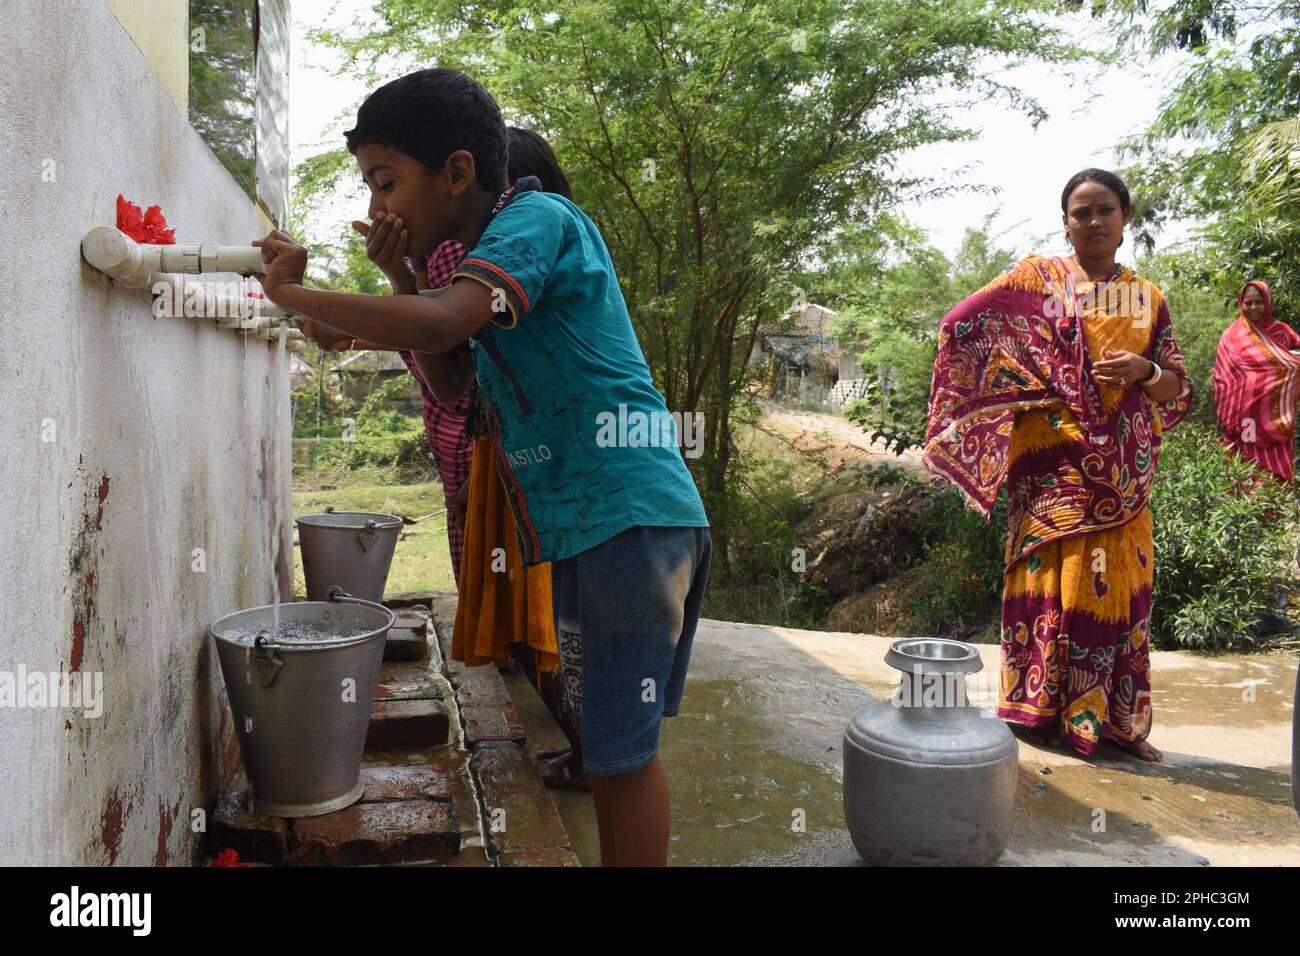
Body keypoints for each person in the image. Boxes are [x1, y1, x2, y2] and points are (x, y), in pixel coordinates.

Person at [254, 68, 711, 865]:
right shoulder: (490, 255)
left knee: (623, 751)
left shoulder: (538, 220)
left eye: (385, 182)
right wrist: (398, 279)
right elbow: (454, 377)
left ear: (458, 172)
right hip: (591, 525)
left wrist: (296, 296)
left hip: (626, 515)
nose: (375, 210)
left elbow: (442, 320)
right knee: (606, 741)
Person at [924, 168, 1193, 763]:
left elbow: (1176, 386)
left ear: (1126, 219)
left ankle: (1115, 724)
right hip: (1051, 472)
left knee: (1118, 595)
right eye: (1081, 212)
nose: (1094, 221)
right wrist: (1027, 387)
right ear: (1065, 223)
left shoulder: (1147, 297)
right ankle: (1038, 713)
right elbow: (961, 324)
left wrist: (1144, 373)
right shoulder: (1036, 281)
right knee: (1053, 587)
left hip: (1124, 479)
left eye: (1105, 210)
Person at [453, 126, 588, 791]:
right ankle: (589, 751)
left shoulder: (539, 237)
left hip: (536, 477)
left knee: (545, 629)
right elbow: (454, 376)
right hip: (509, 468)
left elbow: (448, 328)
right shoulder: (514, 253)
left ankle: (594, 755)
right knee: (530, 625)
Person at [1213, 280, 1300, 484]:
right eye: (1248, 303)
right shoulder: (1231, 337)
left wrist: (1286, 366)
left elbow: (1294, 363)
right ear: (1241, 304)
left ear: (1268, 303)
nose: (1253, 308)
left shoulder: (1282, 332)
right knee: (1243, 481)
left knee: (1274, 487)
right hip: (1241, 425)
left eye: (1258, 302)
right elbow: (1221, 378)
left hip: (1274, 423)